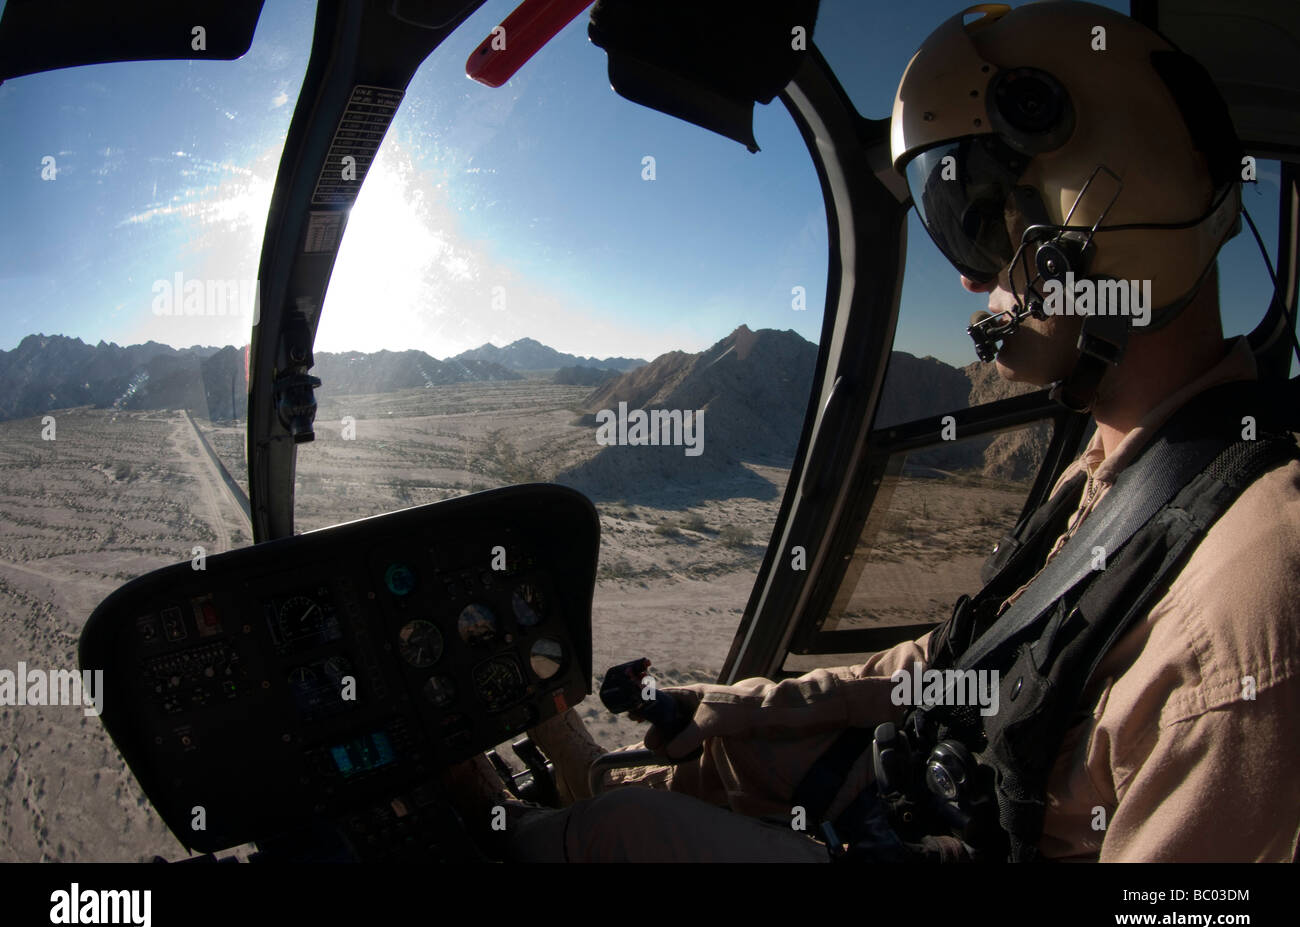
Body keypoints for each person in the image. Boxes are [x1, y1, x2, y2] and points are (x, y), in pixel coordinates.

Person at [450, 0, 1300, 862]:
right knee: (733, 754)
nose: (972, 286)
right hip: (922, 790)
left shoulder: (1245, 621)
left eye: (971, 221)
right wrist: (740, 705)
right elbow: (969, 659)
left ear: (1097, 218)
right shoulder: (1124, 466)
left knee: (617, 835)